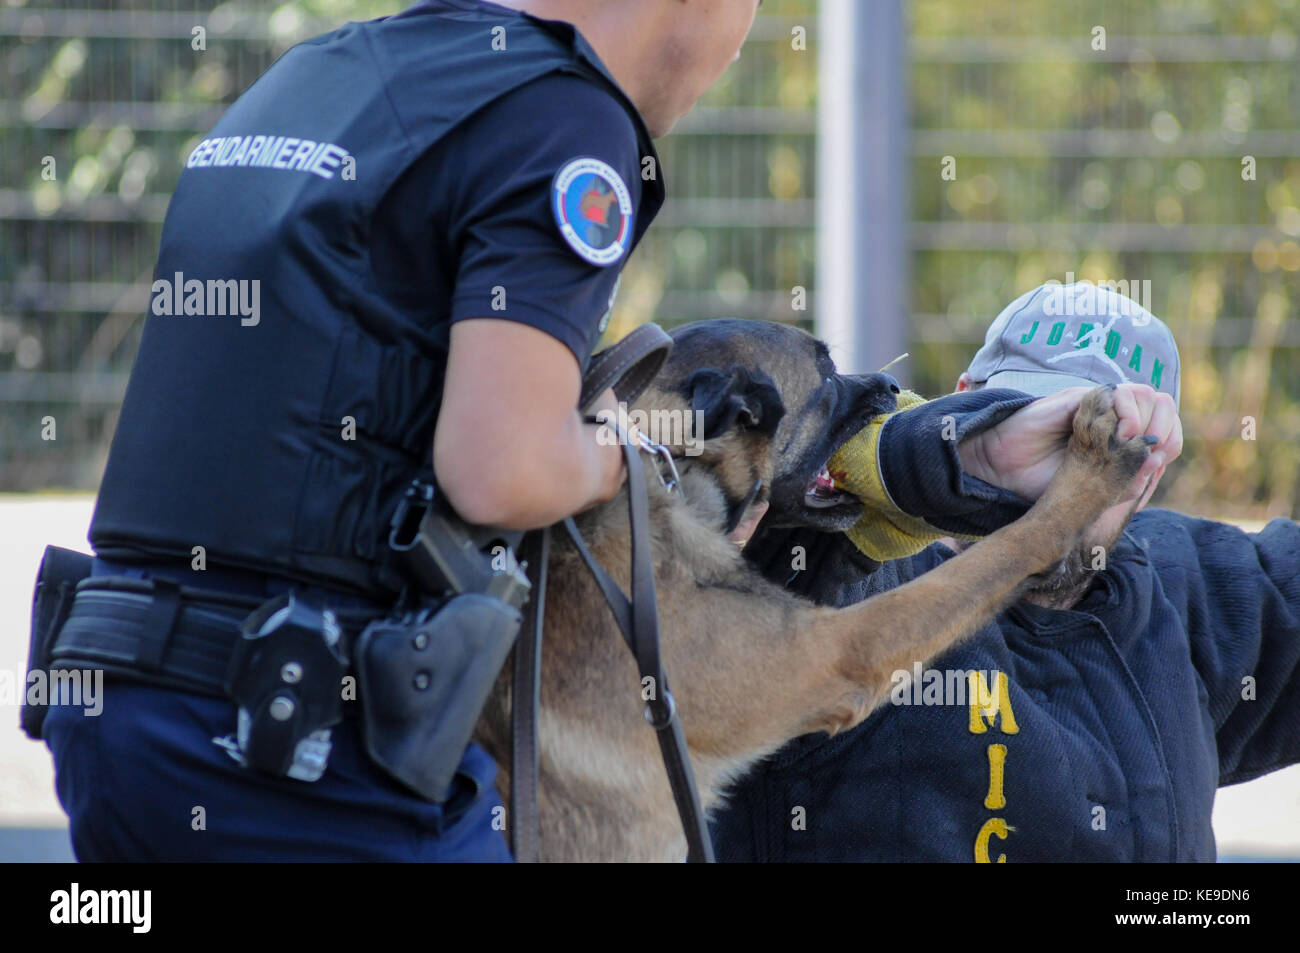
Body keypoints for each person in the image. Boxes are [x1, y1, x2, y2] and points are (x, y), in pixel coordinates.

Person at [36, 0, 767, 862]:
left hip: (120, 718)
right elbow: (500, 467)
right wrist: (615, 453)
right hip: (302, 760)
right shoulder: (566, 115)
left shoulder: (321, 71)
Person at [716, 282, 1300, 862]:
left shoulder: (1189, 592)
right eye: (1050, 430)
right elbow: (723, 407)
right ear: (966, 402)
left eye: (1107, 443)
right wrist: (951, 458)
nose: (1064, 477)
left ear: (1151, 474)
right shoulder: (841, 574)